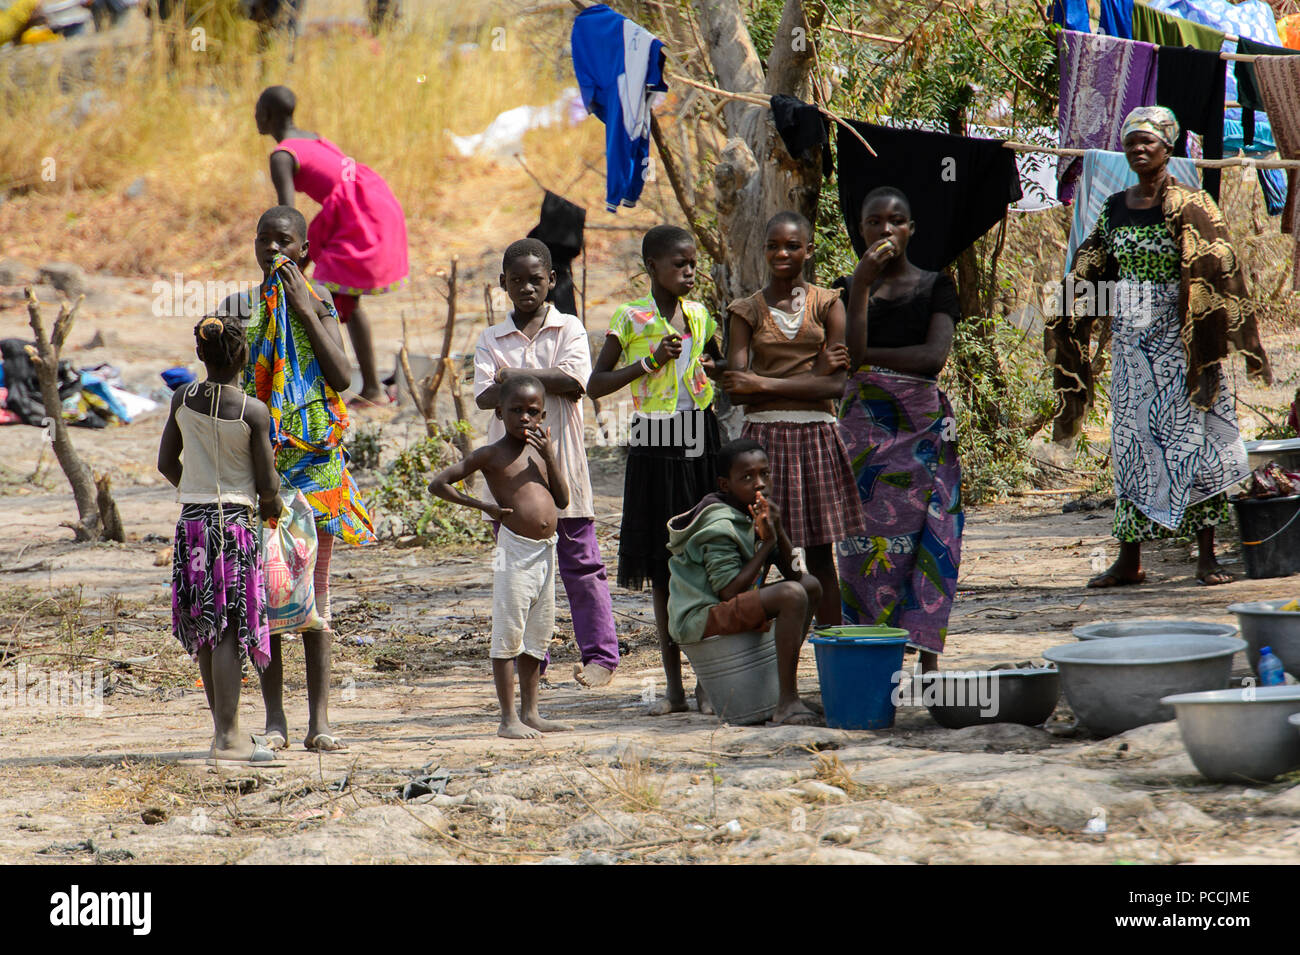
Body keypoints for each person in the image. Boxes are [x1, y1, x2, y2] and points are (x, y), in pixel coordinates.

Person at [1048, 106, 1273, 588]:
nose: (1138, 148)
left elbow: (1221, 265)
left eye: (1147, 140)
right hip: (1133, 344)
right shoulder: (1114, 207)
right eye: (1130, 141)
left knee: (1194, 440)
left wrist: (1213, 331)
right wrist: (1067, 313)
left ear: (1168, 147)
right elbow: (1095, 268)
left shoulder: (1195, 204)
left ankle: (1207, 556)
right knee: (1132, 442)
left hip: (1184, 343)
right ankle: (1130, 561)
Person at [240, 204, 376, 753]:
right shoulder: (244, 312)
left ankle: (320, 721)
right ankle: (275, 721)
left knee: (315, 599)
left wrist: (303, 305)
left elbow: (344, 375)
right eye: (264, 240)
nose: (273, 249)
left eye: (284, 241)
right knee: (270, 595)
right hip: (265, 469)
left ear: (304, 252)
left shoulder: (317, 302)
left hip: (317, 469)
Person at [587, 224, 724, 715]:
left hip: (700, 436)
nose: (690, 271)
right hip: (654, 440)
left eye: (693, 264)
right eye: (680, 264)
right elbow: (595, 384)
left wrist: (714, 366)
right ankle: (674, 689)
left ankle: (710, 683)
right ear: (653, 269)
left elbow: (713, 367)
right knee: (665, 566)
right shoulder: (630, 318)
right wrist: (646, 364)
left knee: (706, 559)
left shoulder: (701, 315)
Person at [474, 238, 621, 688]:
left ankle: (600, 657)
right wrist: (525, 381)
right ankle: (531, 662)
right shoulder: (490, 337)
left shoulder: (570, 329)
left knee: (581, 565)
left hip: (563, 469)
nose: (526, 288)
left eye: (535, 279)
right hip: (511, 481)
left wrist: (511, 379)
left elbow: (575, 382)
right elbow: (484, 396)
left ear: (552, 281)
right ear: (503, 283)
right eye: (516, 280)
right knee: (519, 575)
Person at [839, 186, 963, 674]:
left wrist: (867, 360)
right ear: (862, 230)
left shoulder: (937, 285)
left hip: (922, 428)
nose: (885, 230)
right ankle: (871, 656)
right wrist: (862, 284)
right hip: (863, 433)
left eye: (896, 220)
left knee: (933, 533)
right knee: (861, 543)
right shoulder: (850, 289)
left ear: (911, 229)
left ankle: (927, 661)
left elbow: (933, 358)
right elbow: (849, 355)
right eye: (875, 221)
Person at [723, 211, 865, 627]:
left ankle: (833, 656)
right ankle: (758, 662)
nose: (781, 253)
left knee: (820, 553)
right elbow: (735, 387)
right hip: (762, 443)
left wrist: (762, 384)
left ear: (808, 249)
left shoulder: (828, 303)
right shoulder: (745, 311)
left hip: (816, 436)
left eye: (791, 245)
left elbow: (835, 388)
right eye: (772, 245)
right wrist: (813, 373)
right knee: (760, 545)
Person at [157, 314, 281, 764]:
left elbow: (167, 462)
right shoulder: (252, 410)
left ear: (199, 354)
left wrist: (194, 494)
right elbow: (268, 484)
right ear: (244, 355)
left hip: (192, 524)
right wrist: (273, 506)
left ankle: (224, 731)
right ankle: (230, 739)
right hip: (233, 524)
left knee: (205, 627)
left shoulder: (181, 399)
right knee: (228, 627)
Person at [428, 375, 573, 739]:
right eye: (516, 411)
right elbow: (439, 483)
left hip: (546, 551)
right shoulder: (491, 453)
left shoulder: (539, 451)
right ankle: (508, 719)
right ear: (499, 412)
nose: (525, 418)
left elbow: (563, 499)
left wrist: (550, 456)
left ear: (543, 414)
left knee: (537, 634)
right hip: (514, 552)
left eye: (533, 412)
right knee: (509, 632)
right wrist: (483, 506)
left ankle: (532, 712)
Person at [255, 85, 409, 404]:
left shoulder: (283, 154)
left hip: (355, 211)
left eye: (257, 111)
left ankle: (360, 386)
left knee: (324, 293)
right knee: (344, 296)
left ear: (267, 115)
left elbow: (288, 213)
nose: (255, 117)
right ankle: (369, 387)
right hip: (370, 198)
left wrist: (284, 257)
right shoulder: (311, 137)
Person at [667, 439, 822, 726]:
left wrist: (778, 531)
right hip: (700, 615)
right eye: (747, 477)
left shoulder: (754, 514)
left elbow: (799, 574)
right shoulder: (719, 525)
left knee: (809, 586)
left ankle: (782, 693)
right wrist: (767, 544)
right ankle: (787, 701)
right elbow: (727, 592)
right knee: (790, 595)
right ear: (725, 485)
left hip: (723, 605)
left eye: (765, 474)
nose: (759, 484)